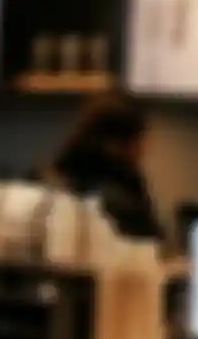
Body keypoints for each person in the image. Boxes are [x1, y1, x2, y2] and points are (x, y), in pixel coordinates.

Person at [46, 92, 162, 240]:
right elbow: (153, 248)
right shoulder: (121, 201)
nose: (145, 149)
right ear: (115, 145)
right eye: (139, 140)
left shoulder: (54, 178)